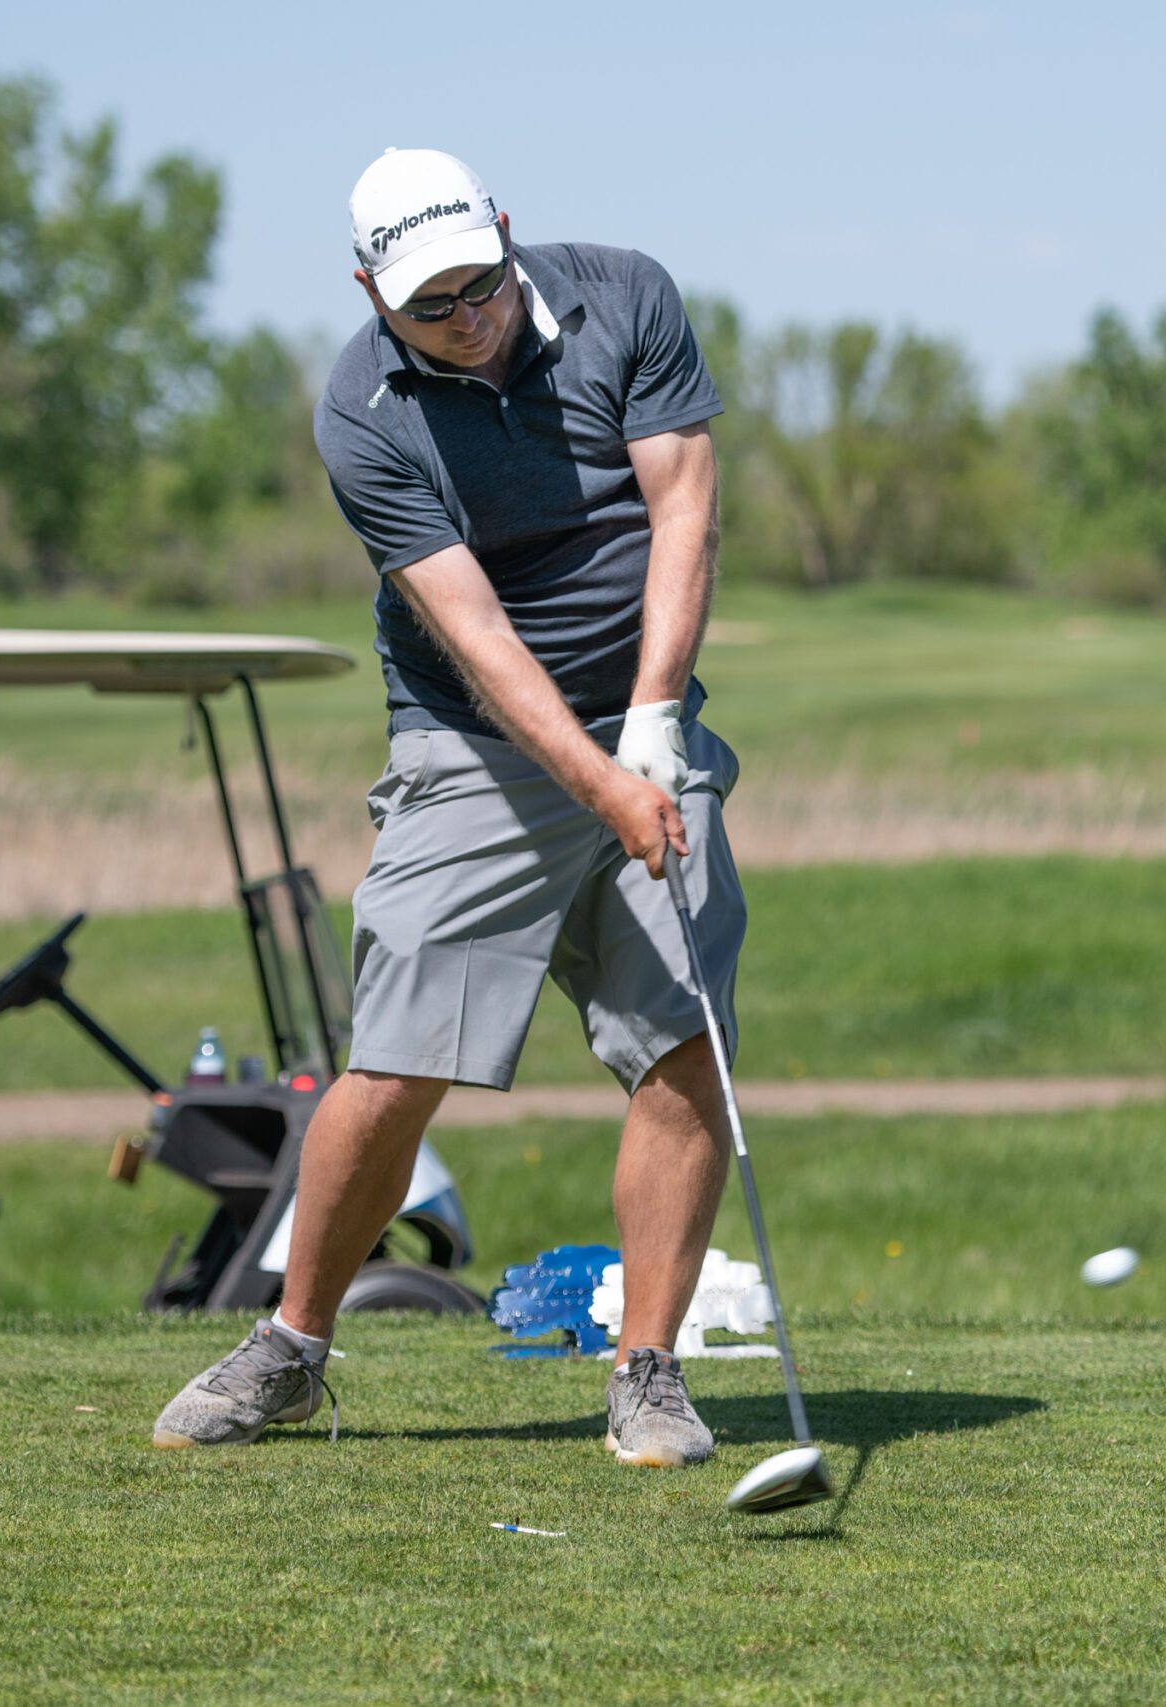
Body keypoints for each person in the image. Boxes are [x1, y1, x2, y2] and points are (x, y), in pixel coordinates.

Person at [151, 147, 740, 1469]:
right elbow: (473, 634)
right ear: (371, 293)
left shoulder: (624, 296)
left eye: (482, 284)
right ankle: (295, 1345)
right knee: (402, 1055)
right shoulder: (363, 409)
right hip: (472, 739)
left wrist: (651, 726)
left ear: (509, 237)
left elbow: (683, 503)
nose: (467, 319)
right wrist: (598, 784)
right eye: (432, 305)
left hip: (640, 710)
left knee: (680, 1043)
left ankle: (647, 1373)